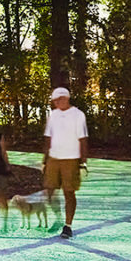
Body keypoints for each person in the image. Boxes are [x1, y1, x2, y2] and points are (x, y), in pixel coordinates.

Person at [43, 86, 89, 239]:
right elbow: (48, 137)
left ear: (67, 98)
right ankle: (58, 218)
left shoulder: (78, 115)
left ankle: (67, 226)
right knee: (49, 191)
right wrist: (45, 159)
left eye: (61, 99)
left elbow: (83, 139)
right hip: (54, 158)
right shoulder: (53, 115)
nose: (58, 102)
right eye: (55, 100)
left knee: (69, 192)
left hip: (71, 158)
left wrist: (83, 162)